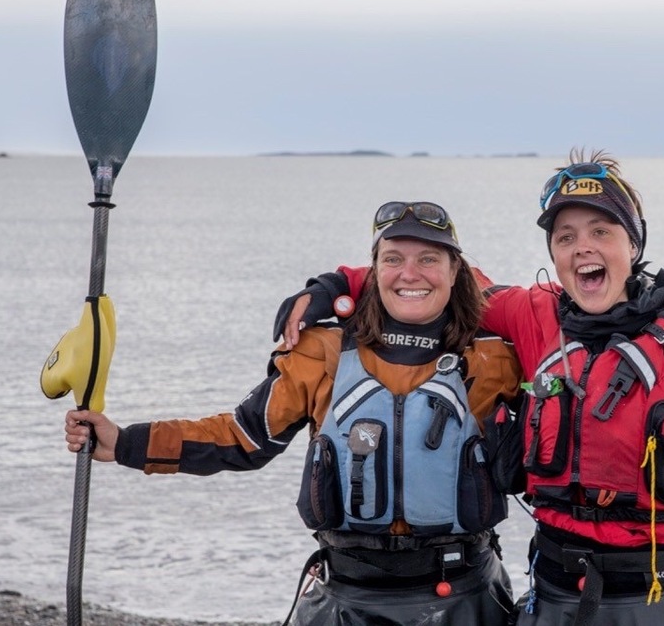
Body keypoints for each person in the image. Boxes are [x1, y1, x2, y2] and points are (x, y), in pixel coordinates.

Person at [275, 149, 664, 626]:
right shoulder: (535, 319)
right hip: (557, 595)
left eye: (600, 232)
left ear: (632, 246)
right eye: (566, 237)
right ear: (555, 255)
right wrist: (339, 283)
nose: (582, 248)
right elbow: (434, 280)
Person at [60, 201, 524, 626]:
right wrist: (124, 443)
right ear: (375, 268)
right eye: (393, 259)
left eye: (429, 259)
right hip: (346, 595)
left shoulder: (494, 359)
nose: (410, 274)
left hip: (466, 592)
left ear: (454, 269)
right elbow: (242, 438)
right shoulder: (323, 350)